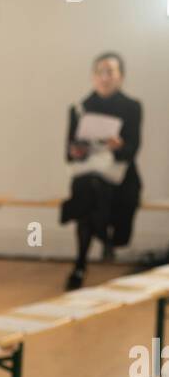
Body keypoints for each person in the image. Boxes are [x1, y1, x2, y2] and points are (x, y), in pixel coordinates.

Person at [60, 52, 142, 290]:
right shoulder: (79, 108)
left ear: (121, 77)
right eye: (100, 72)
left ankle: (96, 248)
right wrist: (78, 151)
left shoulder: (132, 107)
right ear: (93, 77)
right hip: (89, 175)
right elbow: (69, 151)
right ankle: (86, 257)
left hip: (120, 178)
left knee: (92, 196)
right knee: (88, 188)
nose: (104, 77)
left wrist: (119, 147)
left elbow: (133, 148)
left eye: (110, 72)